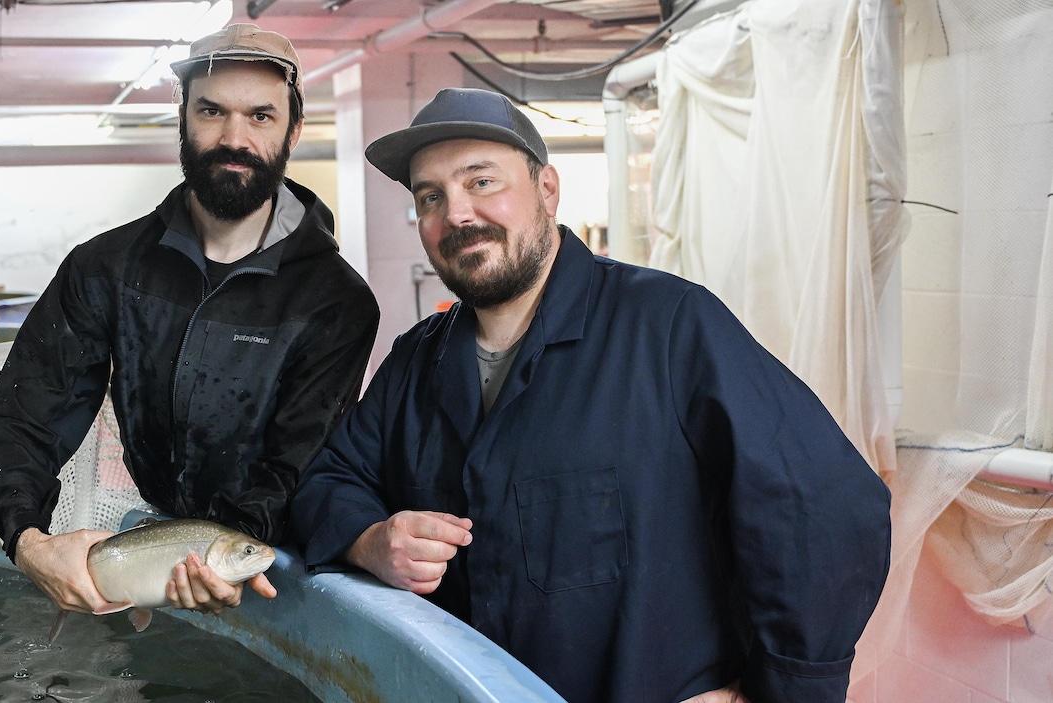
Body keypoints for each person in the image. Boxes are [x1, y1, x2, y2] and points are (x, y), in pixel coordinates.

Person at [291, 88, 891, 703]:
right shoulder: (416, 362)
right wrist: (373, 542)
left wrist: (772, 690)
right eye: (431, 197)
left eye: (482, 182)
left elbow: (824, 507)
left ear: (547, 189)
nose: (459, 214)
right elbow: (327, 483)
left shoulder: (669, 326)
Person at [0, 24, 379, 621]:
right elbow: (28, 411)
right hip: (156, 546)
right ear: (183, 118)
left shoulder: (336, 302)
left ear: (294, 128)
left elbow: (295, 461)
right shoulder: (106, 268)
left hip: (272, 571)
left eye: (261, 116)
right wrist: (28, 540)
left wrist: (221, 556)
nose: (233, 137)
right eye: (212, 111)